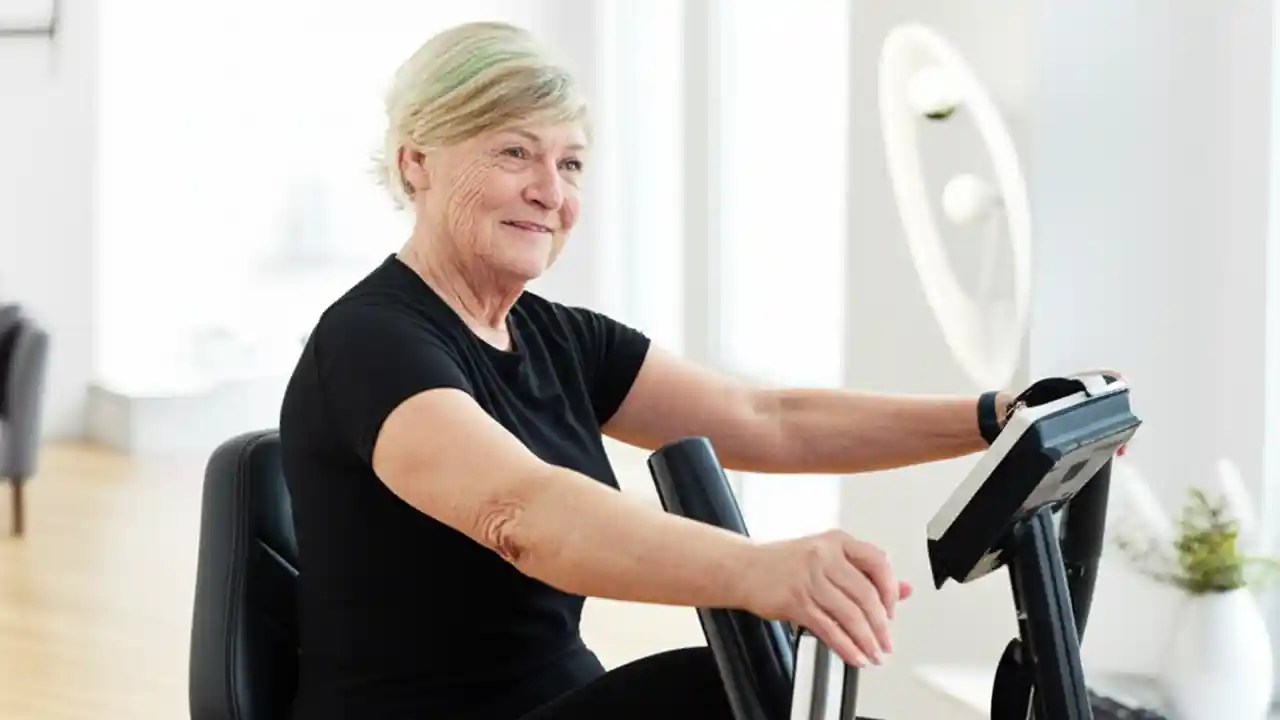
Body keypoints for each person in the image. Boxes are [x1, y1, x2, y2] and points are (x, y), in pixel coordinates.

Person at [279, 21, 1021, 720]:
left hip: (554, 699)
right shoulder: (371, 342)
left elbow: (767, 421)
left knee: (753, 686)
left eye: (569, 163)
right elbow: (522, 512)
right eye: (514, 153)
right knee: (725, 690)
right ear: (416, 163)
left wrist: (993, 418)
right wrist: (756, 570)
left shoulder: (557, 337)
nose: (551, 191)